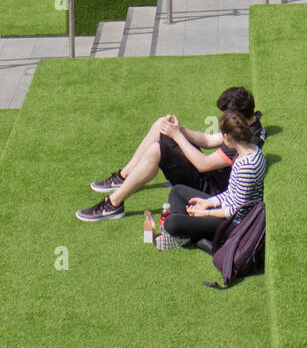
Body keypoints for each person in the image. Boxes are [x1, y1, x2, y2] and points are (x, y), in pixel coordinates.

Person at [76, 86, 265, 221]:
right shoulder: (246, 127)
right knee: (161, 126)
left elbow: (203, 164)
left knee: (158, 149)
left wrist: (176, 136)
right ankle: (123, 177)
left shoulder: (243, 140)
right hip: (210, 177)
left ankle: (113, 204)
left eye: (225, 115)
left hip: (209, 187)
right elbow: (207, 141)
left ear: (237, 118)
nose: (223, 118)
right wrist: (177, 129)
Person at [157, 110, 266, 250]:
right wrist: (208, 202)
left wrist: (206, 213)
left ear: (226, 137)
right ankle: (189, 235)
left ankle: (191, 236)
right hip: (227, 209)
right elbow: (231, 193)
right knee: (177, 191)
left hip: (234, 223)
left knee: (171, 223)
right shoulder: (250, 151)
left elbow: (235, 210)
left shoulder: (247, 166)